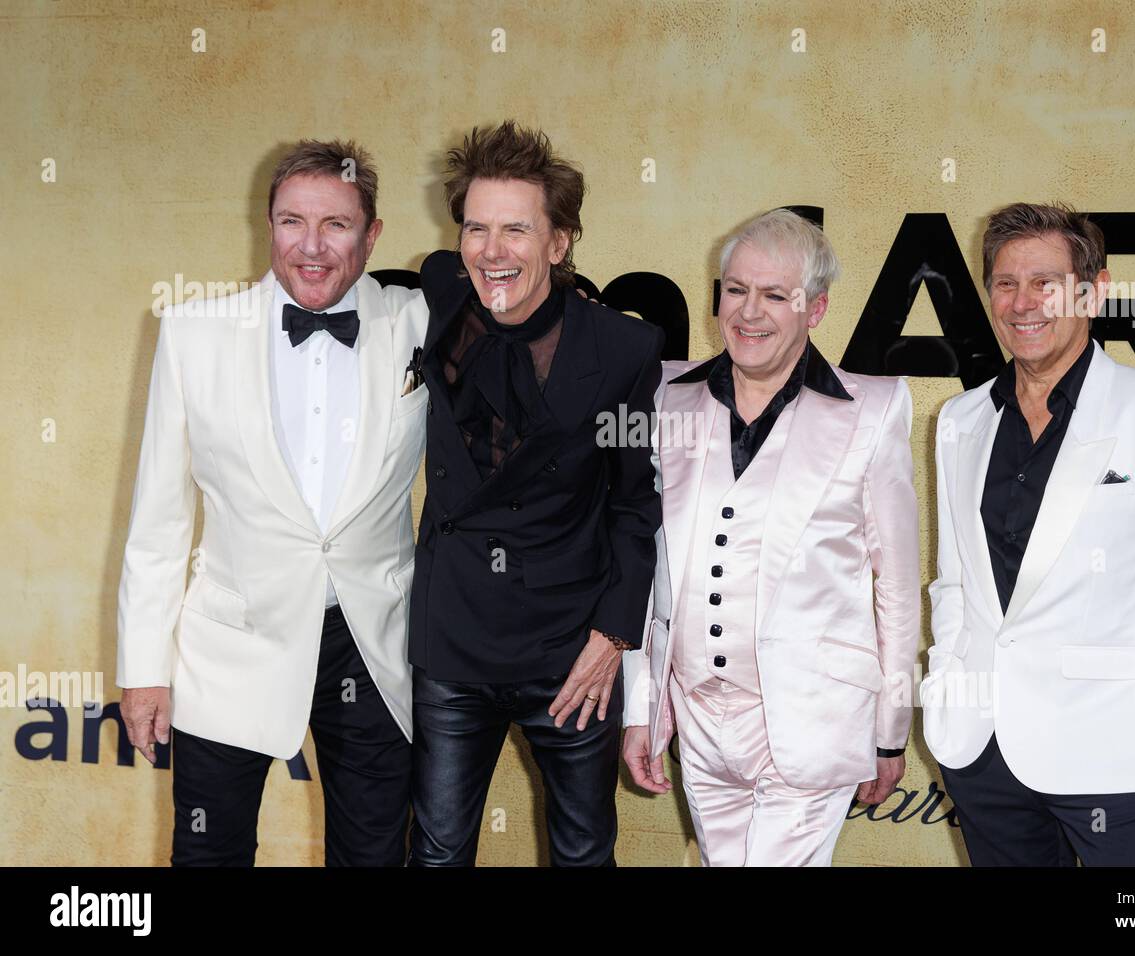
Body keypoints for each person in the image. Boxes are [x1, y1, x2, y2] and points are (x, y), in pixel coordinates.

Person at [117, 139, 428, 865]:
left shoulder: (417, 321)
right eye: (292, 222)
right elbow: (159, 522)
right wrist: (142, 668)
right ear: (267, 224)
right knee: (208, 856)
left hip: (372, 646)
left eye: (337, 225)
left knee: (375, 857)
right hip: (232, 644)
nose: (311, 247)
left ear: (374, 234)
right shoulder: (193, 335)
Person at [920, 201, 1135, 866]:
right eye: (1006, 284)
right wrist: (945, 688)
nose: (1023, 303)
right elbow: (955, 582)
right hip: (982, 754)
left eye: (1046, 282)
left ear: (1093, 291)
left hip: (1117, 758)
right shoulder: (959, 420)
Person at [622, 209, 921, 866]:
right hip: (698, 718)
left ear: (814, 309)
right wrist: (640, 707)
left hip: (813, 716)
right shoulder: (666, 394)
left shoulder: (873, 408)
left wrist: (890, 731)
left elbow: (896, 583)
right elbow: (644, 569)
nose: (748, 312)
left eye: (775, 295)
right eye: (736, 289)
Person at [407, 121, 664, 866]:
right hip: (452, 639)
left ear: (559, 242)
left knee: (583, 853)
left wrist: (612, 638)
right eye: (476, 228)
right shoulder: (442, 293)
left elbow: (633, 504)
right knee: (437, 852)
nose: (492, 250)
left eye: (516, 229)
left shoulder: (621, 350)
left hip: (567, 651)